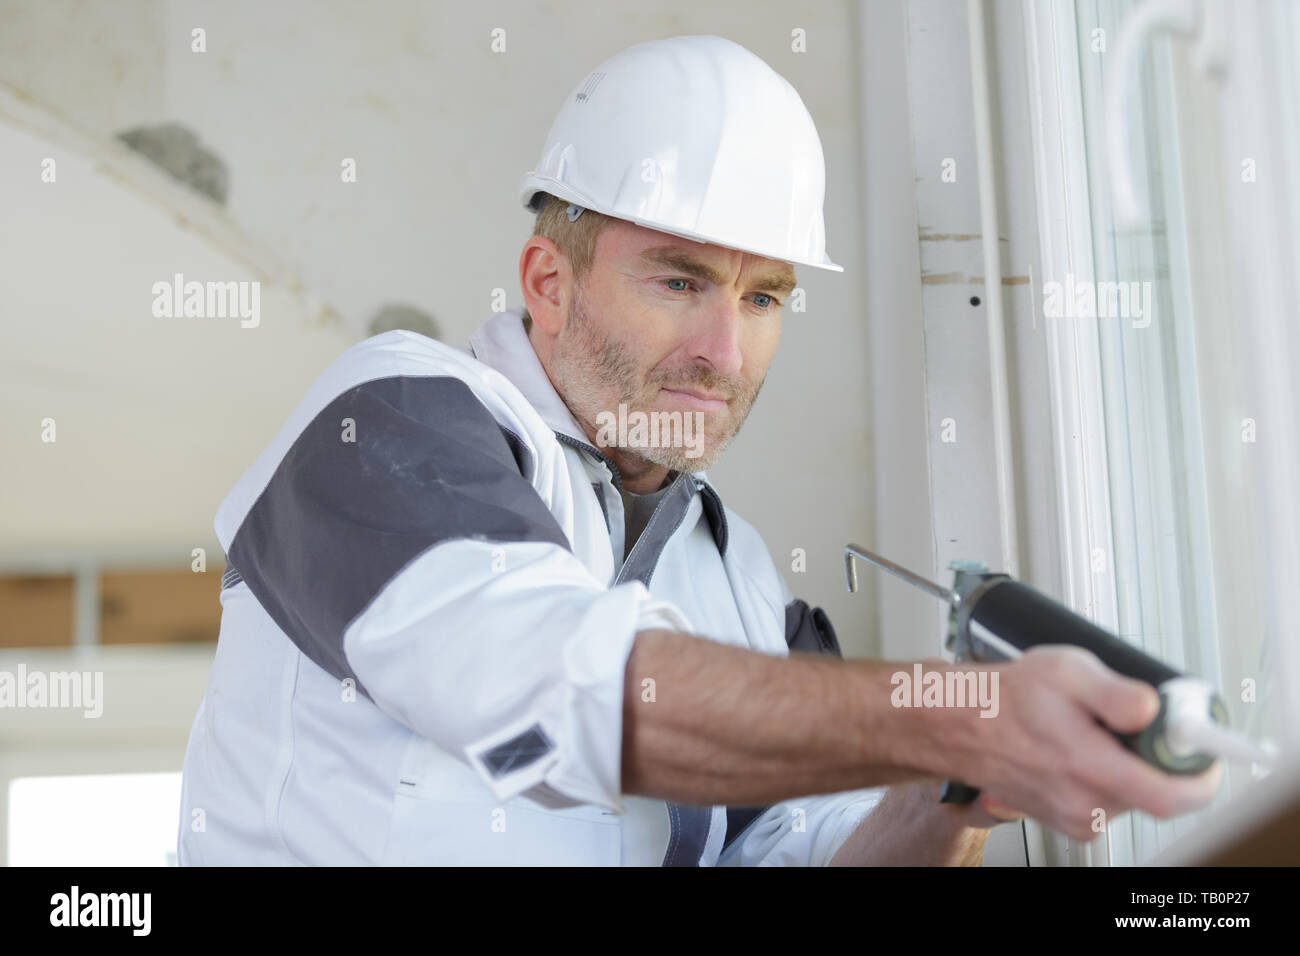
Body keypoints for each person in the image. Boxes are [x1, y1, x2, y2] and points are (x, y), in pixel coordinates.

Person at [177, 34, 1219, 866]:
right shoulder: (391, 420)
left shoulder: (740, 581)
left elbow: (810, 854)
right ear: (548, 281)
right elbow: (578, 685)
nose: (724, 352)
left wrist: (958, 794)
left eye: (763, 297)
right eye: (678, 281)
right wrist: (958, 713)